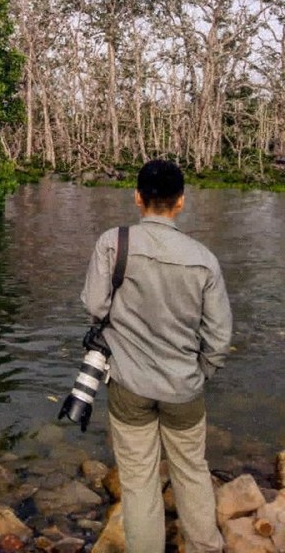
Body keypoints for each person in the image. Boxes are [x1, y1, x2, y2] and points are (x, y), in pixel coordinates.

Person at [81, 159, 233, 553]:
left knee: (138, 482)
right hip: (184, 387)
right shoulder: (204, 259)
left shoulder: (113, 243)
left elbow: (95, 307)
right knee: (193, 472)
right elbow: (218, 339)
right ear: (180, 202)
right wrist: (199, 373)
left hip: (129, 386)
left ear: (137, 198)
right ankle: (205, 547)